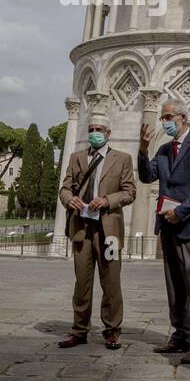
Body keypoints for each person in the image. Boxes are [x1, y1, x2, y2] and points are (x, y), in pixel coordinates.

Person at [138, 98, 190, 363]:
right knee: (175, 283)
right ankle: (181, 334)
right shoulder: (162, 150)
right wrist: (143, 148)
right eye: (163, 118)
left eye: (169, 117)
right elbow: (147, 176)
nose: (165, 122)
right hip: (168, 225)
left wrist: (180, 211)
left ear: (182, 117)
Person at [58, 111, 136, 350]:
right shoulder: (76, 157)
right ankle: (79, 330)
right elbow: (65, 188)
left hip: (109, 230)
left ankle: (112, 330)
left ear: (108, 134)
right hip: (82, 228)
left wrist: (107, 200)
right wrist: (69, 199)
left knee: (111, 281)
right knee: (82, 282)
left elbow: (130, 192)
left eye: (98, 130)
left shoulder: (122, 159)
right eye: (91, 129)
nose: (94, 133)